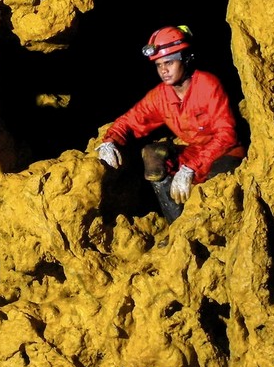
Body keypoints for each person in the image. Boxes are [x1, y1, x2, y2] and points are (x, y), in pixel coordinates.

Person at [94, 25, 246, 221]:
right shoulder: (161, 96)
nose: (163, 70)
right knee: (153, 155)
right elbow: (131, 120)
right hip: (195, 153)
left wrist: (191, 167)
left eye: (169, 63)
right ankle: (178, 227)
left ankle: (211, 228)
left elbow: (227, 135)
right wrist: (110, 141)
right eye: (158, 65)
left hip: (224, 154)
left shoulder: (208, 85)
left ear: (185, 59)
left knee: (216, 182)